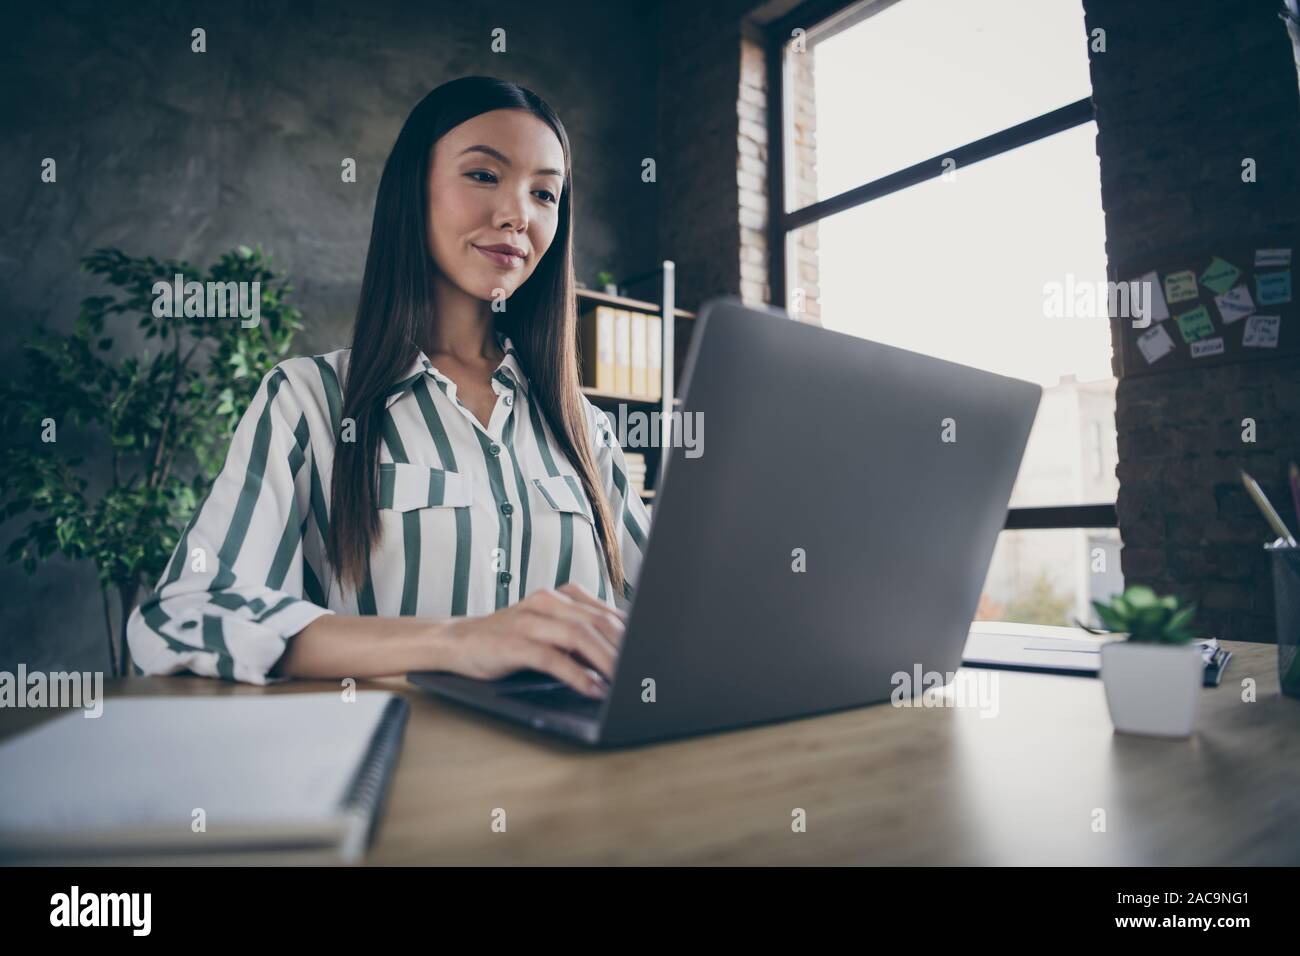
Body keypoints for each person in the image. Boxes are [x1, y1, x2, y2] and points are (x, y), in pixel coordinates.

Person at [126, 77, 651, 700]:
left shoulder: (586, 431)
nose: (518, 214)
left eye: (545, 192)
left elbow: (668, 625)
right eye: (484, 175)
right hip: (383, 774)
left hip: (569, 779)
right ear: (412, 189)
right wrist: (458, 641)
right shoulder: (308, 401)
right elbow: (182, 619)